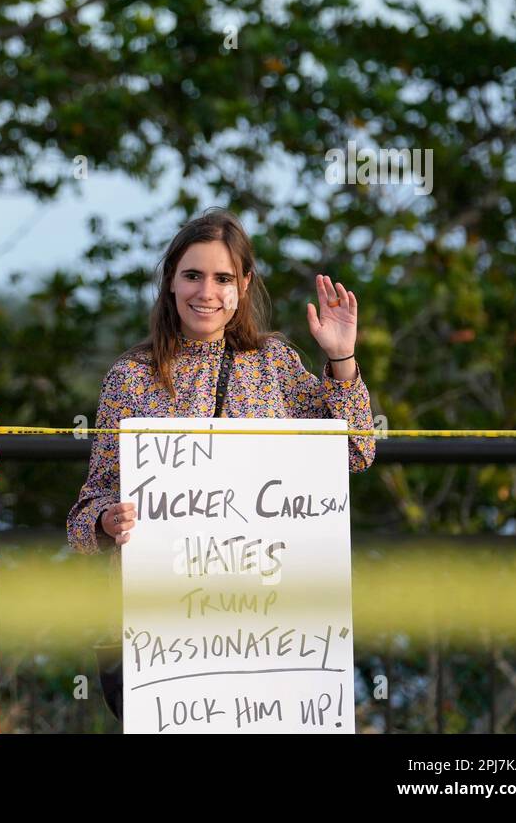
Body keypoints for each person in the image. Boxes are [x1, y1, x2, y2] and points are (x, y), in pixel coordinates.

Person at [67, 208, 376, 717]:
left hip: (267, 632)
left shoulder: (276, 363)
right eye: (192, 275)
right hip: (161, 637)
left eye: (222, 278)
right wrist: (105, 519)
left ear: (244, 284)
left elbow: (356, 452)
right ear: (170, 281)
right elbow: (84, 515)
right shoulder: (130, 377)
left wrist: (342, 361)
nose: (205, 292)